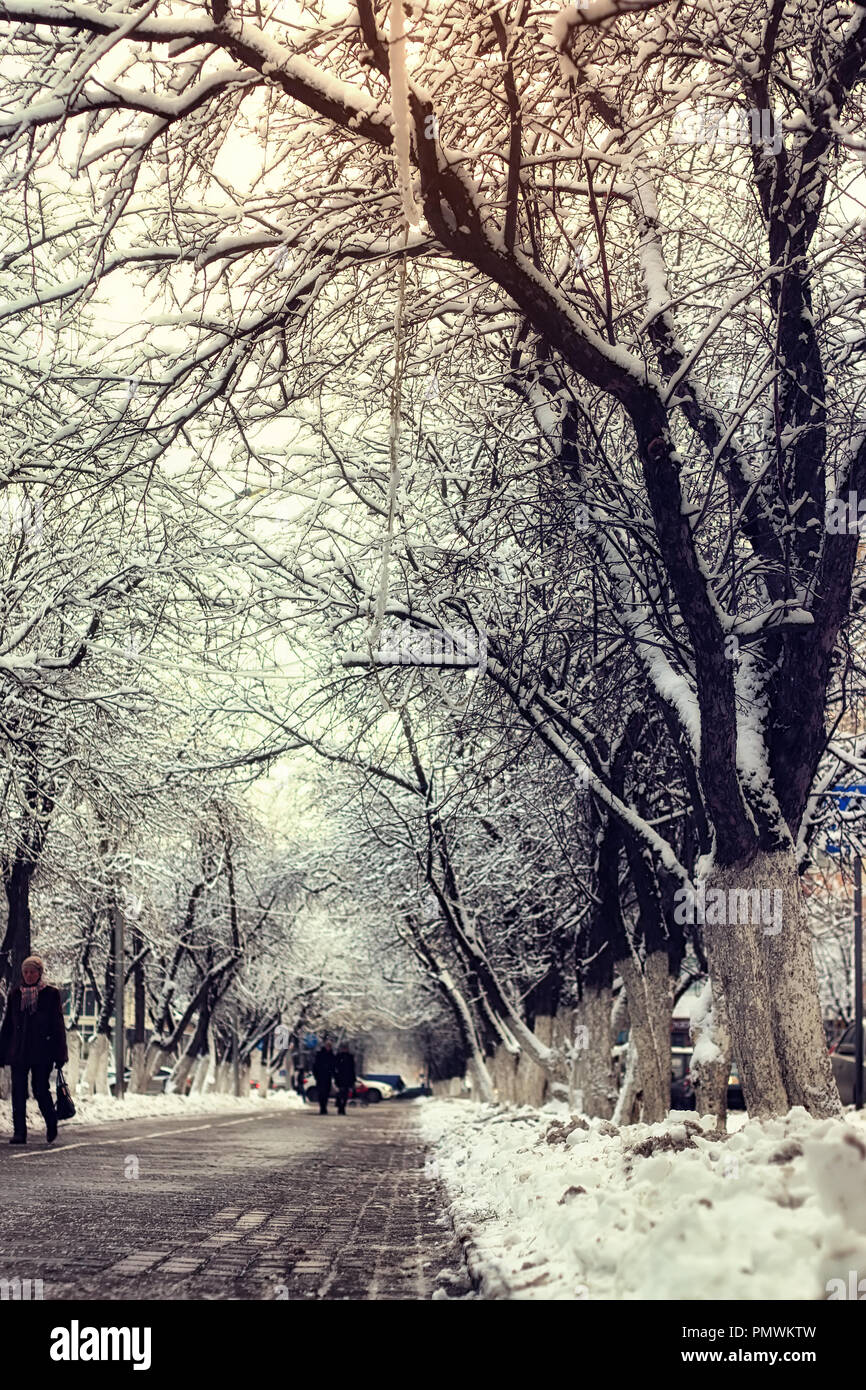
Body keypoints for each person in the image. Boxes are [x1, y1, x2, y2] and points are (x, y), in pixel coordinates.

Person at [0, 955, 68, 1145]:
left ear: (40, 973)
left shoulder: (50, 994)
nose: (29, 975)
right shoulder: (15, 995)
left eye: (33, 972)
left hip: (42, 1052)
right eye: (26, 972)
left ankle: (51, 1121)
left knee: (40, 1089)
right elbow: (8, 1026)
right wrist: (2, 1052)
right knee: (18, 1092)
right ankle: (19, 1132)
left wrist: (60, 1054)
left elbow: (57, 1025)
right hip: (19, 1051)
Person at [312, 1041, 335, 1114]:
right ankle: (322, 1107)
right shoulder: (320, 1055)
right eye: (327, 1046)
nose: (328, 1048)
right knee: (321, 1093)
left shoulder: (331, 1055)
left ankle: (324, 1107)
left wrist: (332, 1074)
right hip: (320, 1077)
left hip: (327, 1077)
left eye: (329, 1046)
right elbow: (315, 1066)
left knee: (326, 1093)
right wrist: (316, 1075)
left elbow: (333, 1066)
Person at [334, 1043, 356, 1115]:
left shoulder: (350, 1057)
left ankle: (342, 1108)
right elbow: (336, 1068)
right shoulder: (338, 1057)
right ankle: (340, 1107)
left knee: (345, 1095)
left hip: (347, 1079)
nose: (344, 1050)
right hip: (340, 1079)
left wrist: (353, 1079)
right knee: (340, 1094)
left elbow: (352, 1069)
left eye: (345, 1048)